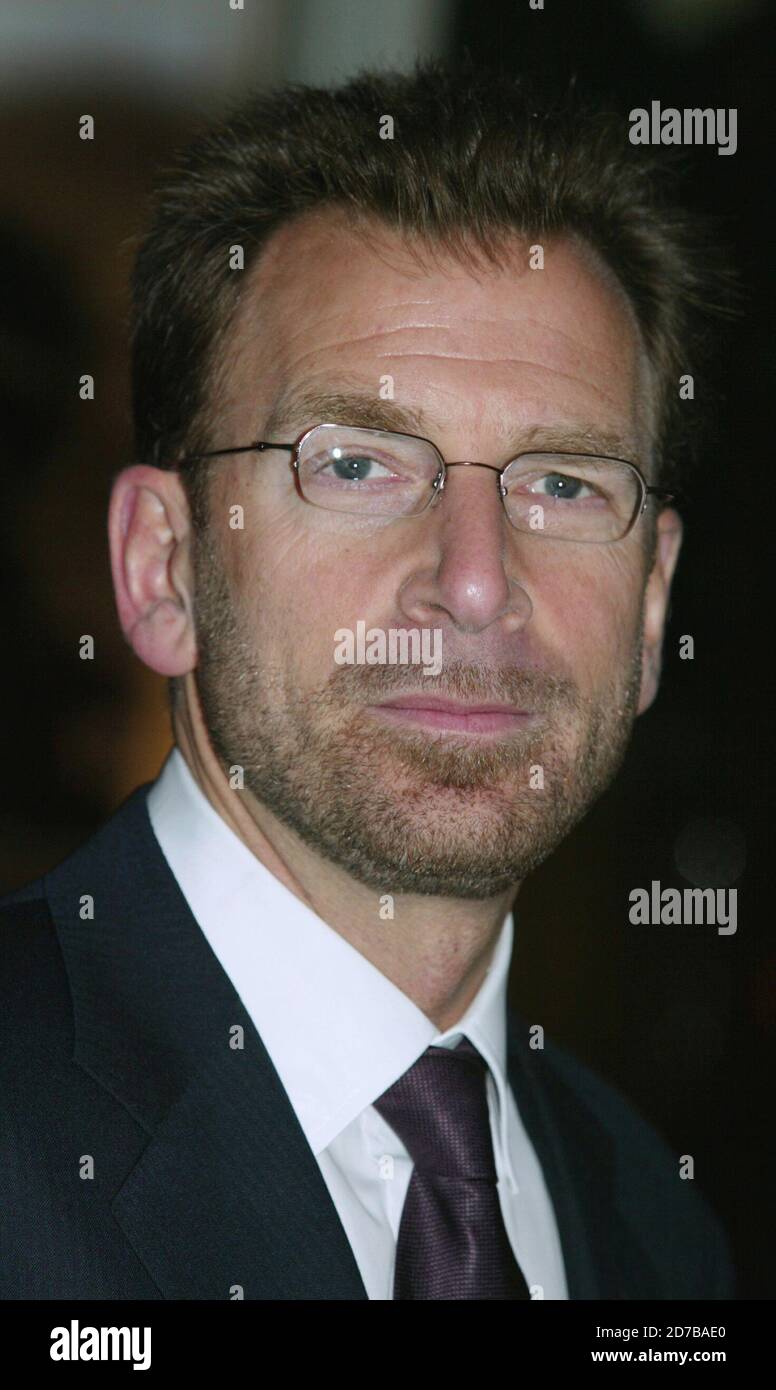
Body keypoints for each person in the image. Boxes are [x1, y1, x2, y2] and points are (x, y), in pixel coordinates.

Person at [0, 60, 735, 1300]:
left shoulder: (655, 1235)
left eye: (561, 484)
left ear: (651, 601)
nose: (472, 581)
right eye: (354, 465)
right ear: (162, 566)